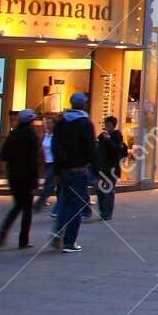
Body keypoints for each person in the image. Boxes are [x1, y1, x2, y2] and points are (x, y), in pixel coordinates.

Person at [49, 93, 97, 254]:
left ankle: (57, 230)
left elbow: (55, 147)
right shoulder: (85, 123)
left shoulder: (61, 123)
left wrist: (57, 170)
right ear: (83, 105)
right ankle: (69, 242)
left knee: (64, 200)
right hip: (78, 169)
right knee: (76, 205)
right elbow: (91, 148)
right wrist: (96, 171)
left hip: (63, 170)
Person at [0, 109, 41, 249]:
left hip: (13, 175)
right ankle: (23, 239)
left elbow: (4, 154)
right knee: (26, 208)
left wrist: (5, 168)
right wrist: (35, 182)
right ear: (30, 121)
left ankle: (4, 230)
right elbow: (33, 161)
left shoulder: (14, 134)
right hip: (27, 176)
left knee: (18, 204)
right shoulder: (31, 136)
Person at [94, 116, 128, 220]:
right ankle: (103, 210)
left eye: (108, 126)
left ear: (113, 126)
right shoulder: (102, 137)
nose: (106, 127)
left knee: (108, 190)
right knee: (99, 189)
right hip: (102, 167)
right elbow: (99, 153)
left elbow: (117, 149)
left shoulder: (117, 137)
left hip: (113, 168)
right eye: (105, 125)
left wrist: (109, 140)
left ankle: (107, 213)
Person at [33, 117, 58, 212]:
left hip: (54, 162)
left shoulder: (56, 136)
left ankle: (39, 203)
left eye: (50, 123)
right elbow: (42, 147)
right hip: (47, 162)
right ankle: (44, 201)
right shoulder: (46, 135)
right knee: (51, 184)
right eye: (46, 123)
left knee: (48, 182)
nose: (48, 125)